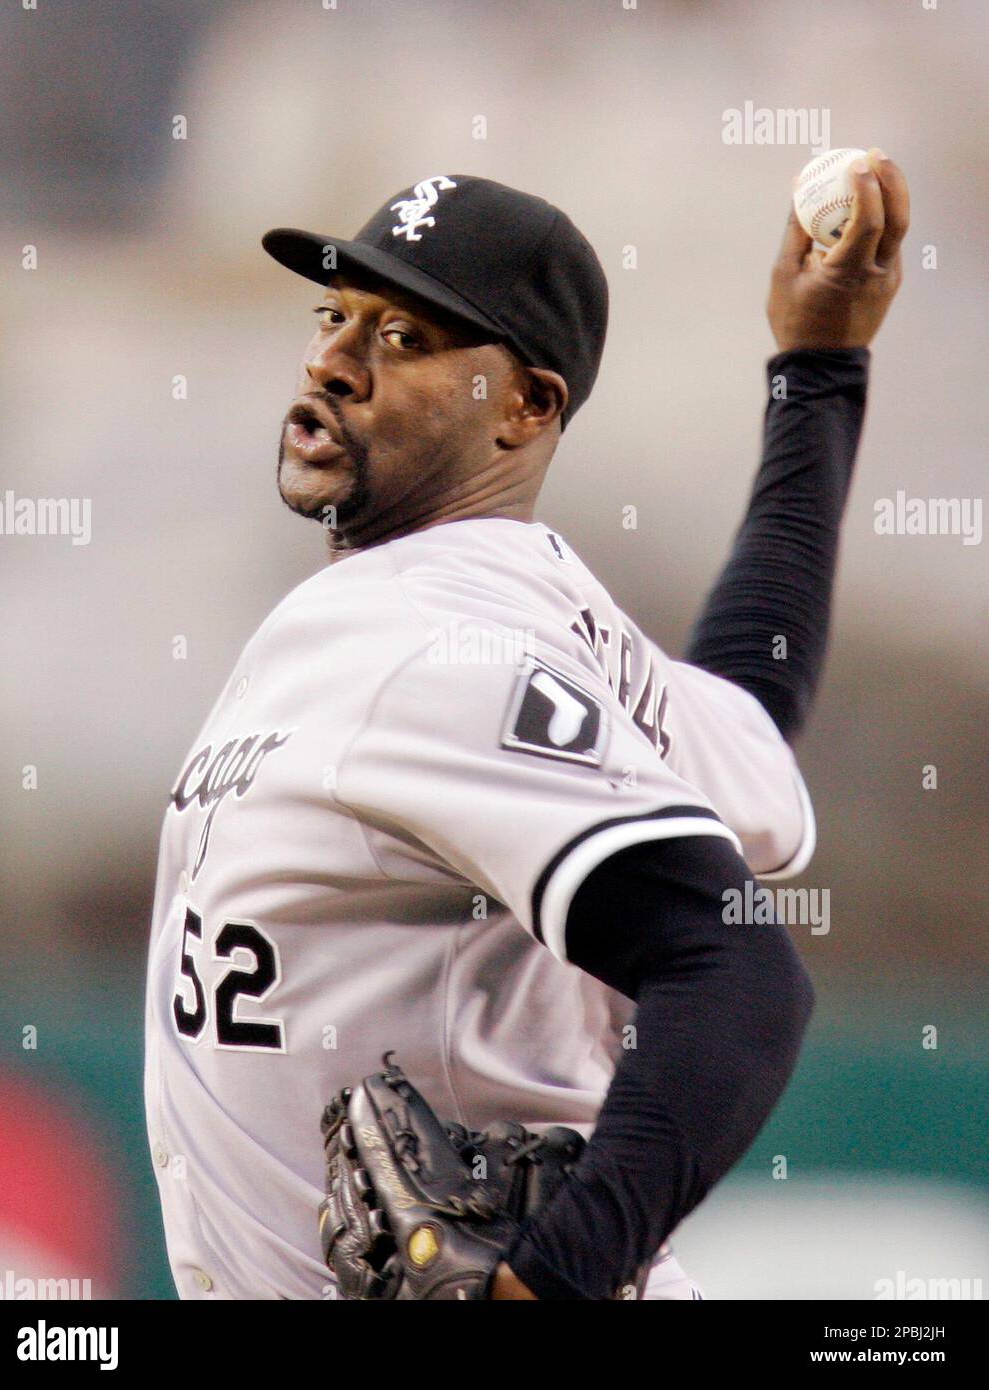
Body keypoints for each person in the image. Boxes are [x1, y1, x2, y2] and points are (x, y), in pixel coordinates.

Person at [144, 164, 908, 1300]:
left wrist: (551, 1283)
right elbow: (750, 702)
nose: (331, 362)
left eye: (402, 338)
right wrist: (818, 367)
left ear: (524, 406)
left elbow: (739, 970)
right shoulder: (544, 621)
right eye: (333, 315)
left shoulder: (424, 645)